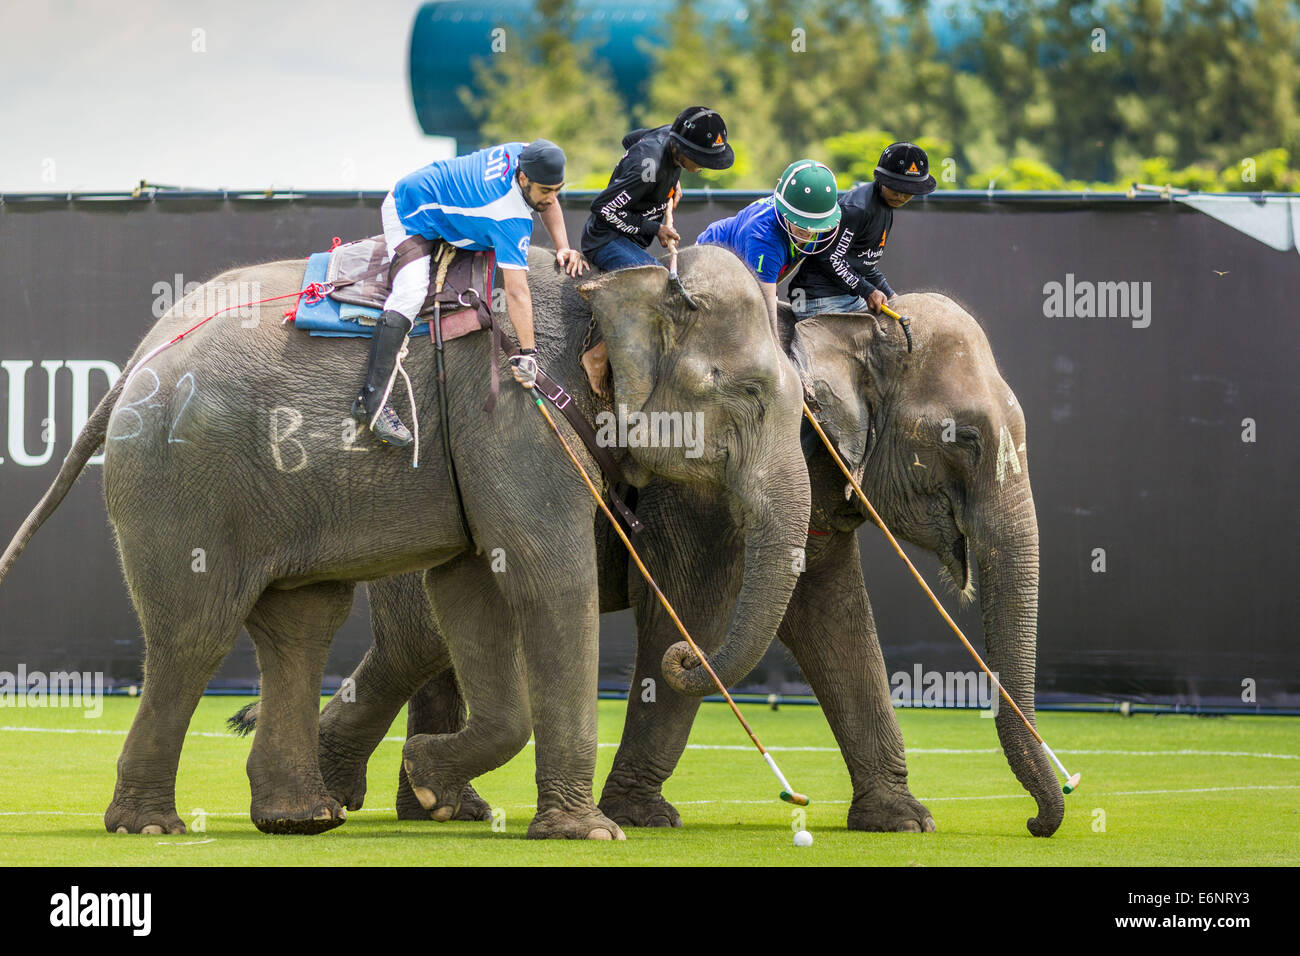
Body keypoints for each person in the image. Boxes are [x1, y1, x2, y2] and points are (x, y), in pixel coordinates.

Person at [352, 139, 588, 447]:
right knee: (411, 293)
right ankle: (371, 401)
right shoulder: (509, 216)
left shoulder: (525, 151)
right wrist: (528, 355)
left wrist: (563, 247)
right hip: (409, 211)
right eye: (546, 190)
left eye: (558, 189)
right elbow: (517, 293)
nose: (553, 198)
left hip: (436, 192)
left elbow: (547, 198)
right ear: (523, 178)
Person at [696, 159, 841, 339]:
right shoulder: (764, 238)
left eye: (816, 226)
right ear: (786, 214)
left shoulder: (820, 221)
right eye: (802, 226)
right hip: (713, 260)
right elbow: (765, 307)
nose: (809, 234)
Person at [788, 142, 936, 319]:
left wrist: (890, 294)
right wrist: (867, 291)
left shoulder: (886, 205)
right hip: (819, 298)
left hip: (849, 296)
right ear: (882, 180)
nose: (901, 196)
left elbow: (863, 262)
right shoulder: (857, 209)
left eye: (907, 192)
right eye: (896, 189)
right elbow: (830, 258)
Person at [580, 106, 734, 271]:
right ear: (681, 149)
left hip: (631, 239)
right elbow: (603, 208)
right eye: (701, 159)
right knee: (656, 281)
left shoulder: (670, 133)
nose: (704, 165)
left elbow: (630, 140)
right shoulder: (647, 171)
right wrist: (656, 228)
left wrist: (671, 180)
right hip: (605, 240)